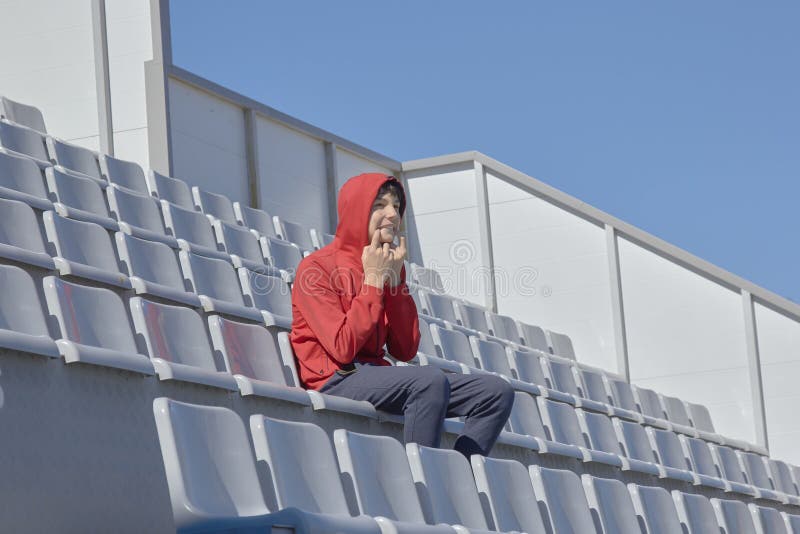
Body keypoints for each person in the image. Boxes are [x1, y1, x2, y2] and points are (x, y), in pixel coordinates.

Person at [289, 172, 514, 457]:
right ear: (357, 210)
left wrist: (395, 283)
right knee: (428, 381)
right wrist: (373, 281)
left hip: (377, 377)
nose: (392, 214)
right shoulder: (316, 268)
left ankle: (460, 473)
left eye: (396, 206)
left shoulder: (389, 266)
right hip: (337, 378)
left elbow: (405, 349)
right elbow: (343, 348)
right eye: (380, 205)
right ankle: (426, 480)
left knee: (495, 392)